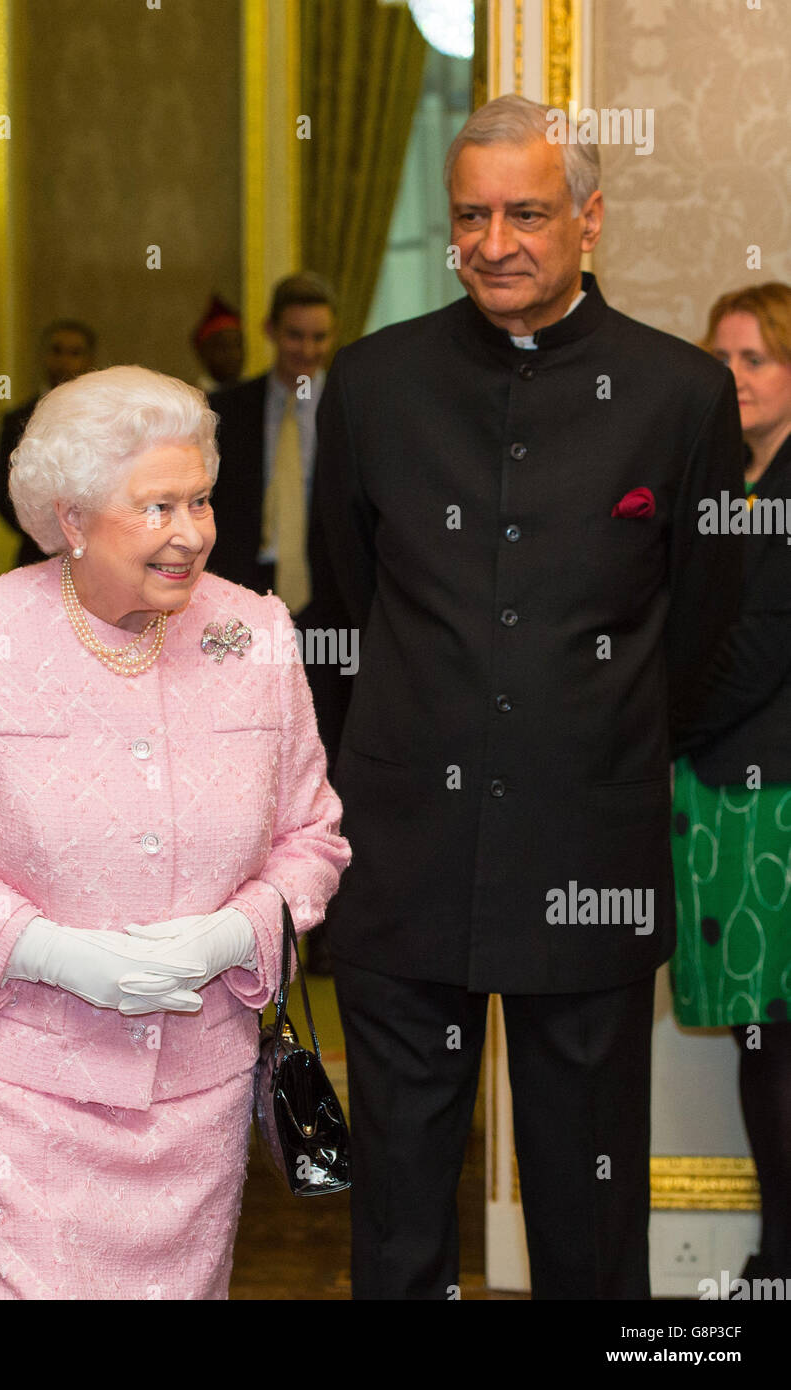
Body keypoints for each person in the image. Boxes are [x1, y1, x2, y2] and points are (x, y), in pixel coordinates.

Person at [311, 93, 744, 1299]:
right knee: (399, 1208)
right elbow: (345, 612)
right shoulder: (374, 382)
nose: (494, 241)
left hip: (587, 850)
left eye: (527, 213)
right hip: (404, 855)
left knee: (590, 1214)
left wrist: (597, 737)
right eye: (471, 215)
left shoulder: (680, 395)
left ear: (590, 219)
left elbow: (699, 629)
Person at [0, 366, 350, 1300]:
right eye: (157, 506)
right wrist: (48, 953)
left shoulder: (256, 633)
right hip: (19, 1081)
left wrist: (232, 934)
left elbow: (312, 838)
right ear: (71, 519)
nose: (191, 532)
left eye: (199, 499)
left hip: (200, 1087)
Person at [671, 282, 791, 1285]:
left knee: (781, 1040)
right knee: (769, 1040)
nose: (733, 376)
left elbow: (752, 655)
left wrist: (648, 729)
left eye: (756, 358)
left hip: (771, 806)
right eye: (722, 356)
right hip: (729, 800)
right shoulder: (733, 483)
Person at [210, 272, 349, 973]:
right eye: (295, 336)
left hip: (327, 604)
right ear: (271, 332)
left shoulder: (351, 410)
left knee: (321, 757)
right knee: (244, 752)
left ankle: (318, 924)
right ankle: (243, 922)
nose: (306, 350)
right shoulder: (223, 411)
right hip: (240, 596)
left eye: (320, 338)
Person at [0, 319, 97, 566]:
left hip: (95, 552)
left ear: (89, 360)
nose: (64, 361)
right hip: (35, 554)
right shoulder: (17, 420)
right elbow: (5, 496)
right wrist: (51, 533)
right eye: (57, 351)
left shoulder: (104, 418)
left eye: (74, 353)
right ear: (44, 356)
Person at [191, 294, 244, 393]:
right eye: (224, 347)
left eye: (238, 345)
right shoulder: (193, 398)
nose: (234, 355)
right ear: (204, 353)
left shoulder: (251, 395)